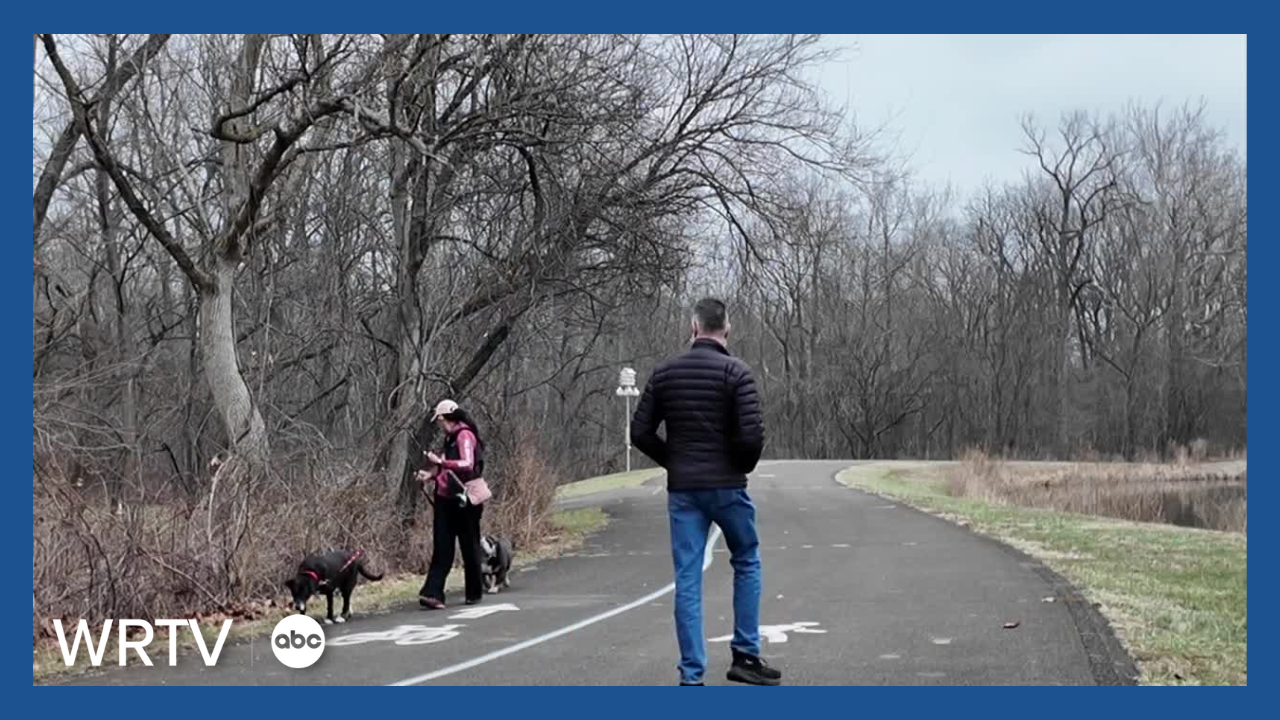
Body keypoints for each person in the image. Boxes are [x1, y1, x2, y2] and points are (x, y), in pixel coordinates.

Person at [630, 297, 780, 687]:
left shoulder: (665, 374)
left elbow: (640, 432)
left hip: (684, 493)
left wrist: (674, 461)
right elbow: (751, 436)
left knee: (688, 578)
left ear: (693, 328)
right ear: (726, 329)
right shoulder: (737, 373)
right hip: (728, 487)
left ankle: (692, 674)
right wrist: (738, 467)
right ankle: (745, 655)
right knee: (746, 559)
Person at [416, 399, 487, 609]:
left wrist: (440, 462)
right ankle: (432, 594)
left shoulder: (465, 435)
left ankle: (474, 592)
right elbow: (446, 470)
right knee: (442, 547)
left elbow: (467, 464)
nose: (438, 425)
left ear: (443, 418)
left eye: (438, 420)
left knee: (469, 546)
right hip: (445, 499)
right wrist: (430, 475)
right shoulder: (449, 439)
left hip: (465, 500)